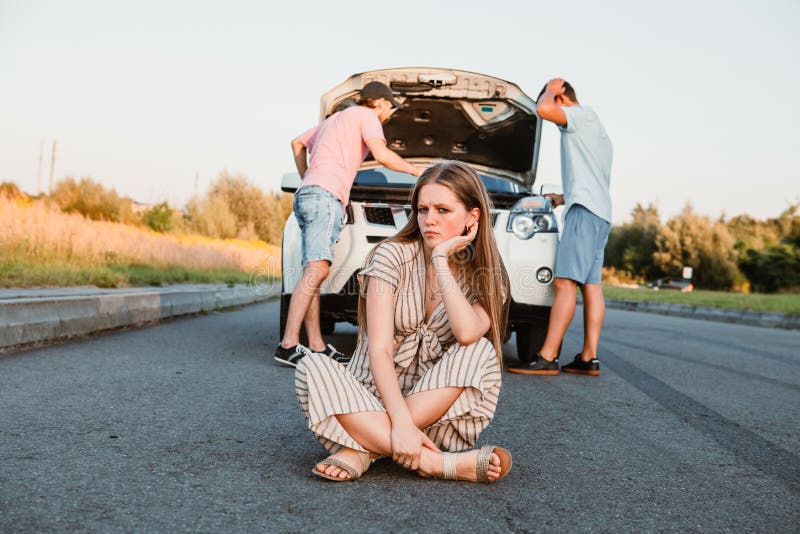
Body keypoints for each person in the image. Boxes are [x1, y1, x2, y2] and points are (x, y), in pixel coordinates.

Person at [295, 161, 513, 482]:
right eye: (422, 210)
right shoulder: (391, 256)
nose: (430, 221)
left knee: (480, 350)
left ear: (472, 217)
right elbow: (380, 349)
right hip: (365, 401)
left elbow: (467, 333)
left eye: (443, 210)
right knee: (312, 366)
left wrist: (441, 260)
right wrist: (399, 422)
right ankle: (436, 464)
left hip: (432, 416)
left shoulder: (488, 278)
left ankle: (362, 449)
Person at [275, 81, 422, 367]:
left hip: (308, 195)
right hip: (326, 196)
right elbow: (382, 155)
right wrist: (417, 170)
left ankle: (316, 345)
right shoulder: (367, 117)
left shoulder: (334, 120)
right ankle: (288, 344)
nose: (390, 112)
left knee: (313, 271)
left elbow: (296, 143)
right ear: (379, 102)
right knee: (318, 270)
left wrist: (308, 179)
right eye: (391, 106)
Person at [509, 78, 612, 377]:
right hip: (600, 213)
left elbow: (543, 109)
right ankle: (588, 357)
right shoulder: (599, 130)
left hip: (584, 213)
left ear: (563, 99)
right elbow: (592, 180)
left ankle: (547, 356)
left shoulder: (579, 116)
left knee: (565, 283)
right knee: (591, 286)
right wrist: (563, 198)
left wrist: (551, 88)